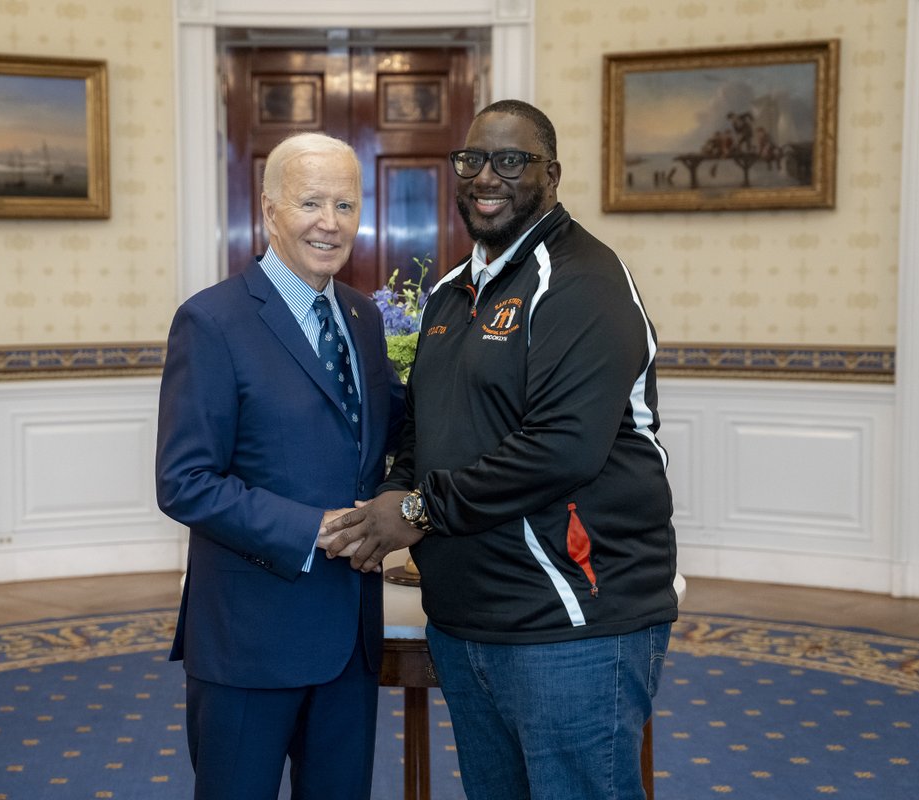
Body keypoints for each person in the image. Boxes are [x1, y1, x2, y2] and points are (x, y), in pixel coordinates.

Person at [324, 100, 679, 800]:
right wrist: (393, 494)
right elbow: (422, 430)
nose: (487, 176)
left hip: (571, 626)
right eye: (473, 160)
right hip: (466, 622)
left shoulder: (584, 281)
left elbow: (562, 450)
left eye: (512, 160)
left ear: (552, 174)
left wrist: (418, 512)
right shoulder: (450, 292)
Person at [156, 131, 405, 800]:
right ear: (269, 211)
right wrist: (313, 529)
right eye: (311, 203)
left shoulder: (362, 317)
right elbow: (184, 482)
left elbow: (390, 433)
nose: (331, 223)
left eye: (346, 205)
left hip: (350, 638)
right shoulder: (211, 321)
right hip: (250, 640)